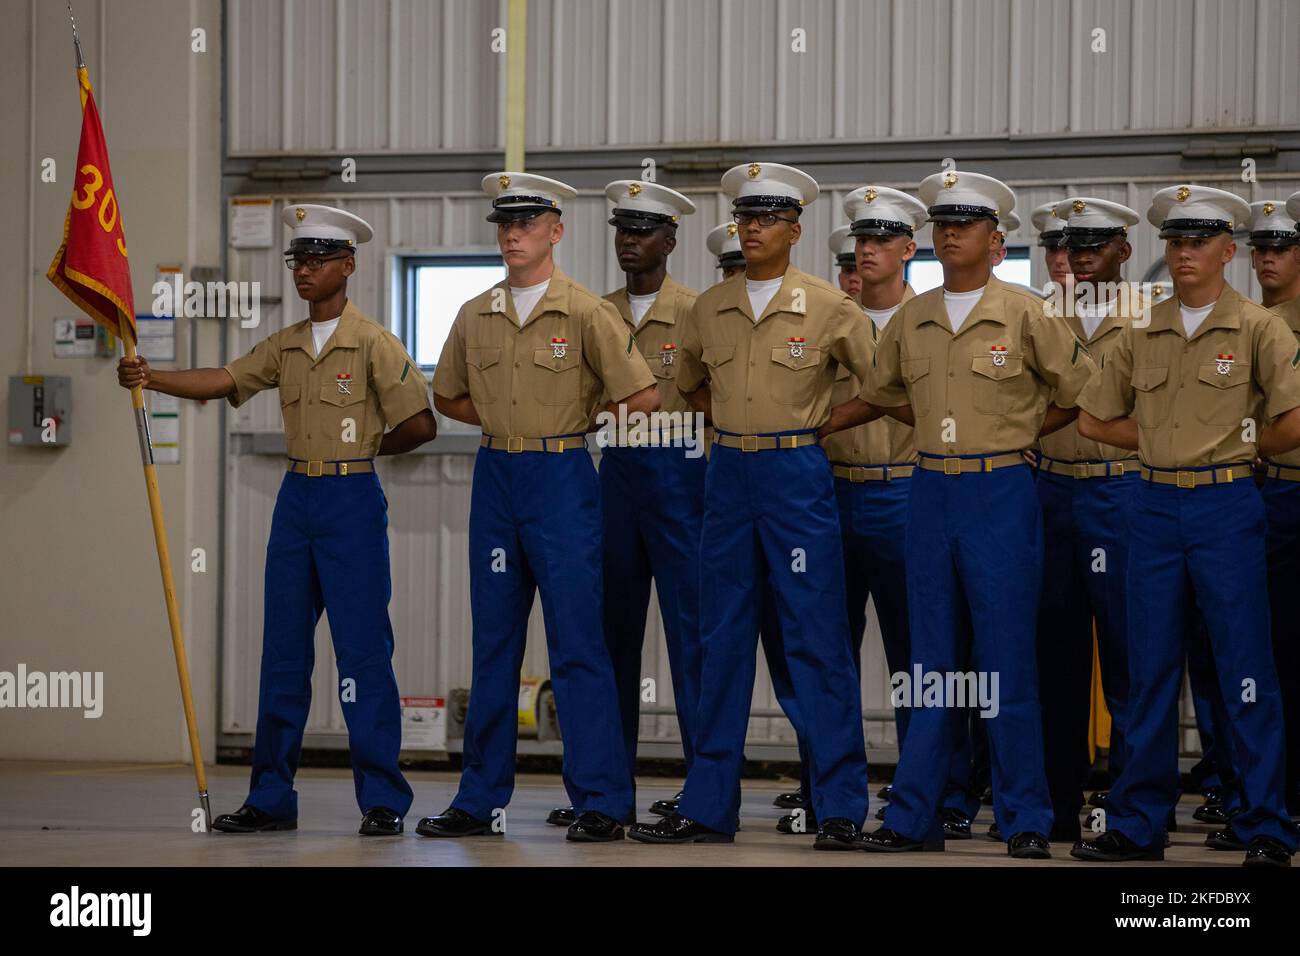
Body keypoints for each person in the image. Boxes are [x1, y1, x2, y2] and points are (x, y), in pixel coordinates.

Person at [118, 204, 437, 836]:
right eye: (298, 260)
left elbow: (422, 424)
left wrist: (364, 450)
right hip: (296, 502)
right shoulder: (286, 344)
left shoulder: (373, 342)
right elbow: (226, 379)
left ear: (349, 265)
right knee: (283, 656)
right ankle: (270, 797)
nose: (305, 270)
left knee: (363, 654)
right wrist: (152, 378)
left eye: (319, 260)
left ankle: (381, 800)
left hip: (350, 499)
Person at [628, 162, 873, 849]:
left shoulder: (829, 307)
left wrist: (819, 423)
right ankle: (709, 807)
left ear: (795, 229)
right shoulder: (710, 308)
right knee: (720, 641)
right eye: (746, 217)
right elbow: (691, 385)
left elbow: (884, 386)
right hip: (729, 472)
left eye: (767, 218)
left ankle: (840, 809)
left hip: (797, 474)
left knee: (816, 642)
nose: (754, 228)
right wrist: (736, 421)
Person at [858, 171, 1095, 859]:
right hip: (930, 489)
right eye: (941, 222)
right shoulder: (913, 317)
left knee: (1007, 659)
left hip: (1000, 492)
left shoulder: (1026, 314)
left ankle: (1024, 817)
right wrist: (936, 427)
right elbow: (886, 393)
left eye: (964, 223)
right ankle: (915, 818)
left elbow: (1079, 394)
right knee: (931, 666)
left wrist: (1019, 430)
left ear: (996, 242)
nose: (949, 231)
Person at [417, 172, 659, 843]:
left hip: (561, 476)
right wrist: (506, 421)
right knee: (492, 646)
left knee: (579, 645)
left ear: (556, 229)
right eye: (505, 223)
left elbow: (641, 396)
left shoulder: (585, 312)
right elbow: (448, 397)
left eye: (527, 222)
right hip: (498, 474)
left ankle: (603, 800)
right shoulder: (475, 312)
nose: (514, 234)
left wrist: (579, 419)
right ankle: (478, 800)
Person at [1071, 184, 1300, 867]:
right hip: (1153, 507)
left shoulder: (1262, 329)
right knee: (1148, 671)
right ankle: (1139, 824)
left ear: (1229, 251)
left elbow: (1293, 419)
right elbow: (1090, 418)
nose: (1184, 252)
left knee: (1245, 668)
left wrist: (1224, 445)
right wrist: (1165, 441)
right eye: (1174, 240)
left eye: (1198, 241)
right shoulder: (1145, 329)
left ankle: (1265, 823)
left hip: (1227, 504)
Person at [546, 180, 702, 827]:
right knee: (609, 639)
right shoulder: (594, 312)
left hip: (682, 476)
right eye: (621, 230)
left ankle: (703, 793)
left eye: (643, 231)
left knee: (694, 638)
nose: (630, 241)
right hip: (613, 479)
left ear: (670, 240)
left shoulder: (698, 313)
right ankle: (604, 796)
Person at [1030, 197, 1143, 842]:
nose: (1077, 257)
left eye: (1094, 245)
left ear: (1125, 251)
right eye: (1071, 246)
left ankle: (1129, 805)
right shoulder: (1039, 315)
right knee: (1055, 654)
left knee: (1133, 654)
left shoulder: (1154, 319)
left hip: (1124, 492)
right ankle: (1055, 801)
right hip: (1051, 493)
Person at [1252, 194, 1300, 819]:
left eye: (1280, 246)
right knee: (1277, 647)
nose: (1267, 257)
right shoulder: (1259, 323)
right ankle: (1276, 793)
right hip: (1279, 489)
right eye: (1259, 247)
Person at [1030, 201, 1072, 288]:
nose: (1058, 260)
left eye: (1069, 249)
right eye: (1052, 249)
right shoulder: (1041, 302)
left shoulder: (1102, 300)